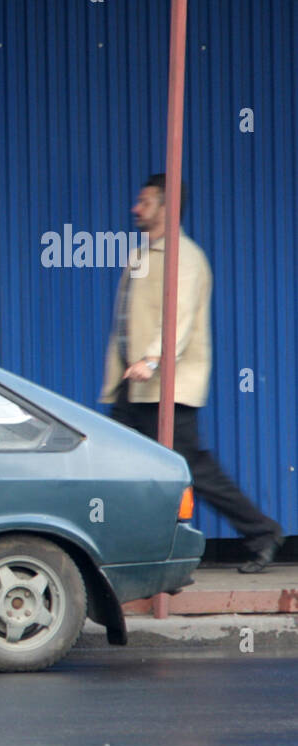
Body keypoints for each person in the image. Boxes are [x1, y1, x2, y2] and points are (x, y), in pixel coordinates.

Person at [100, 174, 284, 573]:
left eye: (145, 202)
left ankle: (262, 532)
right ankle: (128, 552)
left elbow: (178, 321)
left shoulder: (185, 258)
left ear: (167, 208)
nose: (136, 208)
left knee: (195, 469)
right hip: (132, 388)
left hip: (166, 385)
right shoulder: (143, 255)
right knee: (120, 467)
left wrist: (151, 360)